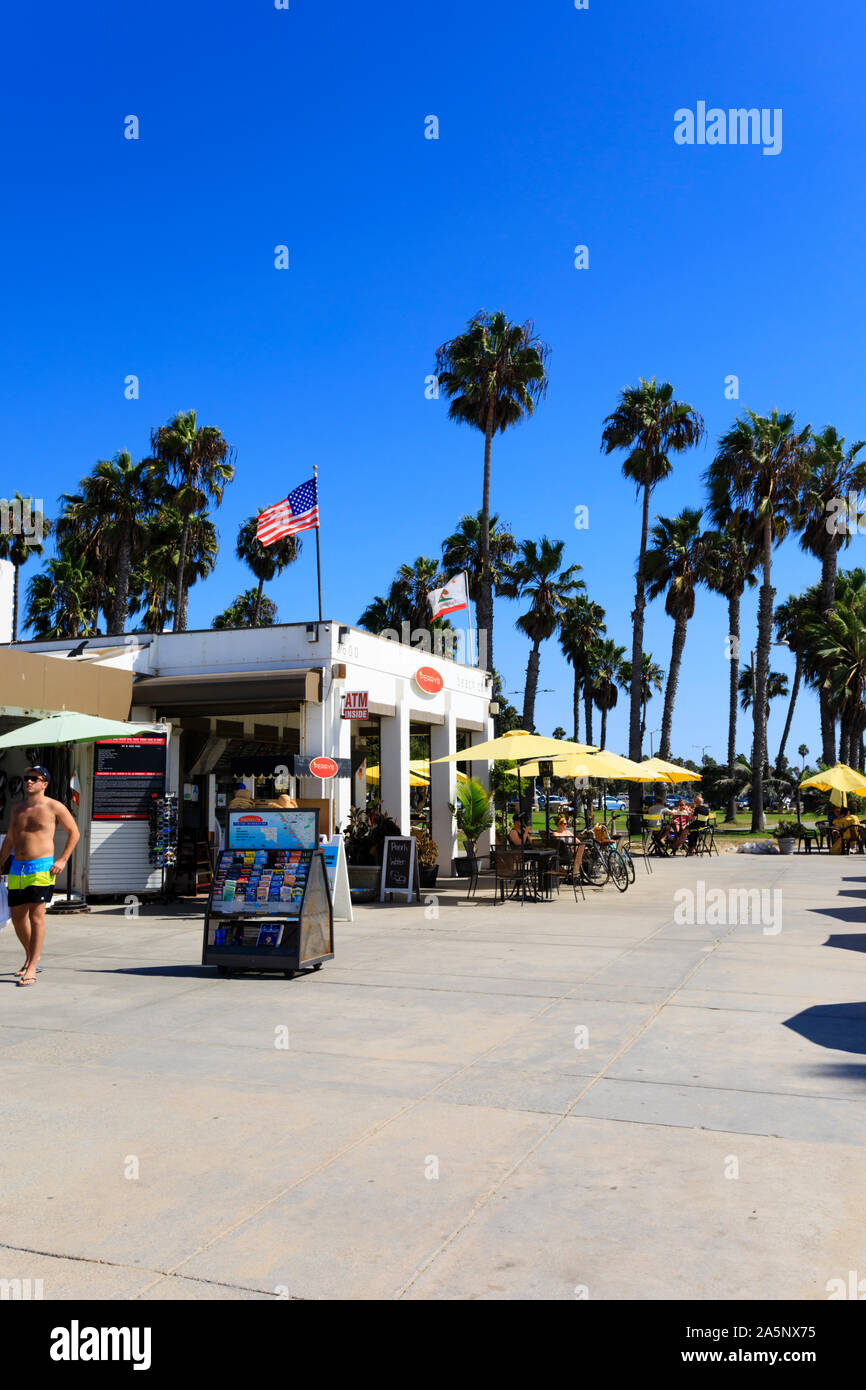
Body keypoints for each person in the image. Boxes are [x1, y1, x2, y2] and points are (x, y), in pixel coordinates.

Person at [0, 766, 79, 987]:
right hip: (17, 867)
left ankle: (32, 966)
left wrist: (62, 860)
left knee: (36, 917)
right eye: (26, 778)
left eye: (34, 778)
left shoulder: (54, 806)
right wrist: (0, 863)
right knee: (17, 919)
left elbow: (74, 832)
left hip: (42, 867)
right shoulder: (17, 808)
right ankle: (31, 956)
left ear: (44, 783)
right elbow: (10, 839)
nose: (28, 782)